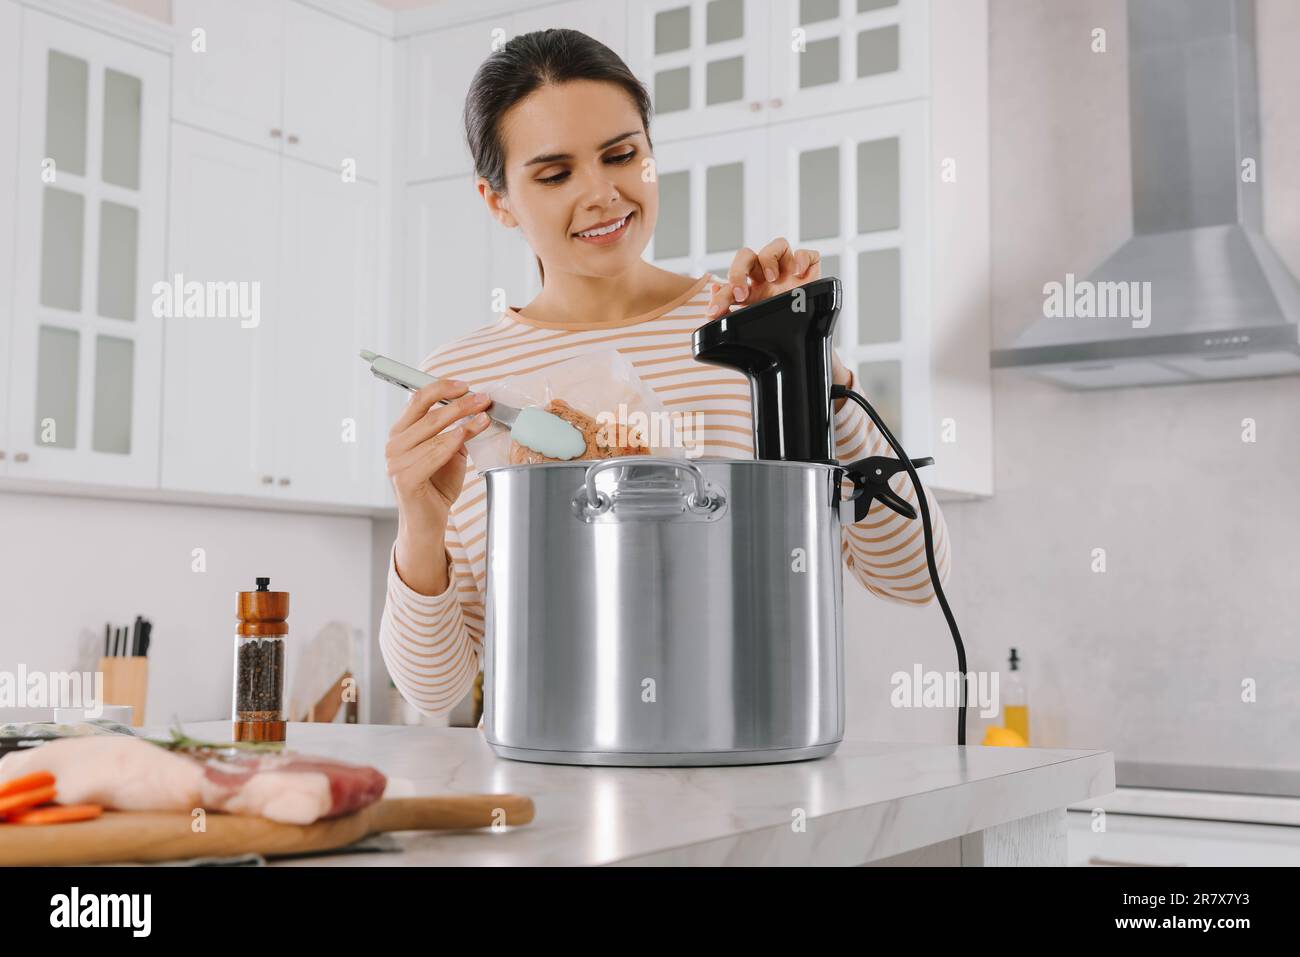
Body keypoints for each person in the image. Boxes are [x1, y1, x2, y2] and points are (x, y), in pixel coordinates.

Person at [380, 29, 952, 721]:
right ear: (497, 200)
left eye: (622, 155)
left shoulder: (747, 332)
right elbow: (434, 689)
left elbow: (915, 577)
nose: (601, 193)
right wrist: (419, 517)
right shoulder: (463, 378)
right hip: (555, 773)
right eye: (555, 173)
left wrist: (809, 361)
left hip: (753, 764)